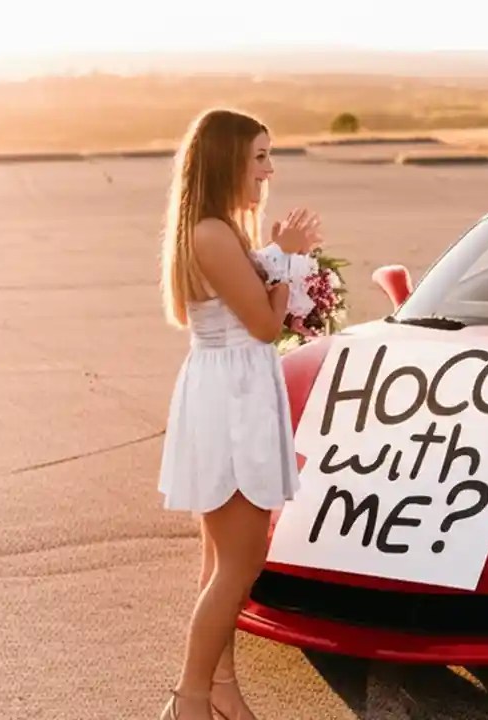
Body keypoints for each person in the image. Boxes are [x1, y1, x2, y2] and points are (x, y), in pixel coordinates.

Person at [156, 108, 323, 720]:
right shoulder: (210, 233)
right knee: (242, 561)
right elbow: (262, 324)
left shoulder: (222, 230)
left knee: (219, 560)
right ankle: (190, 699)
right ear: (229, 159)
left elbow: (260, 316)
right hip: (228, 400)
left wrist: (279, 263)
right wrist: (289, 260)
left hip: (237, 390)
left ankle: (221, 687)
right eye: (259, 156)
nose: (268, 170)